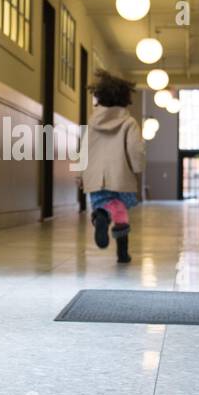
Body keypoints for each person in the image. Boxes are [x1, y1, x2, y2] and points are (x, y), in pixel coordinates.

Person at [78, 71, 145, 264]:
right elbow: (134, 148)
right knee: (120, 211)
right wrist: (138, 167)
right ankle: (122, 253)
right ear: (125, 98)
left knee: (105, 205)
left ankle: (101, 216)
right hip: (121, 176)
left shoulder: (92, 123)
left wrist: (79, 175)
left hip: (96, 177)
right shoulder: (129, 122)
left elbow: (82, 150)